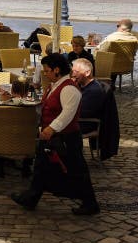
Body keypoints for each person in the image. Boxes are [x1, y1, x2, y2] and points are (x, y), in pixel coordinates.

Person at [11, 53, 100, 216]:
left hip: (66, 138)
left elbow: (68, 114)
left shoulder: (68, 88)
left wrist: (51, 128)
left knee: (77, 170)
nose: (45, 73)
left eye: (47, 70)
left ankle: (90, 203)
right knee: (41, 167)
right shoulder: (55, 85)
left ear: (57, 70)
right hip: (54, 137)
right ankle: (31, 198)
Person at [70, 58, 107, 134]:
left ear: (87, 73)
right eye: (72, 71)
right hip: (79, 121)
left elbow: (81, 112)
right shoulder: (82, 86)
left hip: (85, 124)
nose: (73, 74)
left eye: (76, 72)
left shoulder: (93, 90)